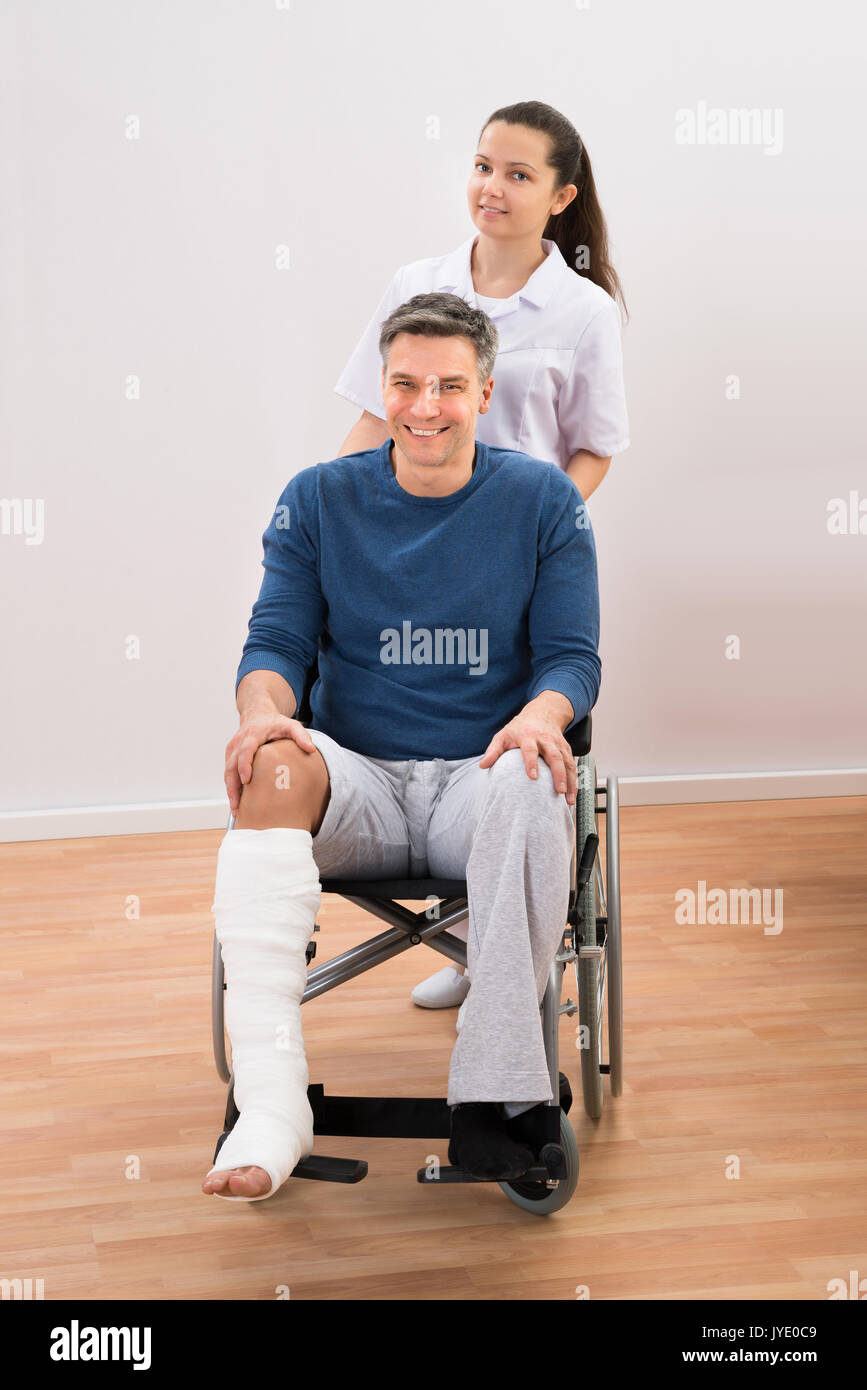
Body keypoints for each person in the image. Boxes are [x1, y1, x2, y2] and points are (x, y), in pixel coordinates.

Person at [202, 291, 601, 1201]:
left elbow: (572, 657)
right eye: (406, 383)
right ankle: (271, 1103)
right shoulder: (317, 497)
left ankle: (494, 1096)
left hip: (479, 776)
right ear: (380, 390)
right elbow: (274, 645)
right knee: (267, 758)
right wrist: (262, 709)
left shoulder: (541, 501)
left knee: (534, 775)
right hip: (363, 785)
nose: (426, 405)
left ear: (486, 391)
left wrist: (541, 719)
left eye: (450, 385)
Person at [333, 99, 628, 1014]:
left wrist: (526, 534)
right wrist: (332, 523)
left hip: (522, 568)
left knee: (503, 756)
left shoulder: (581, 312)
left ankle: (487, 957)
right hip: (403, 556)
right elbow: (375, 415)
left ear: (559, 196)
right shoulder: (417, 281)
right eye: (481, 166)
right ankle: (471, 944)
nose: (490, 188)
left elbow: (593, 448)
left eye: (517, 174)